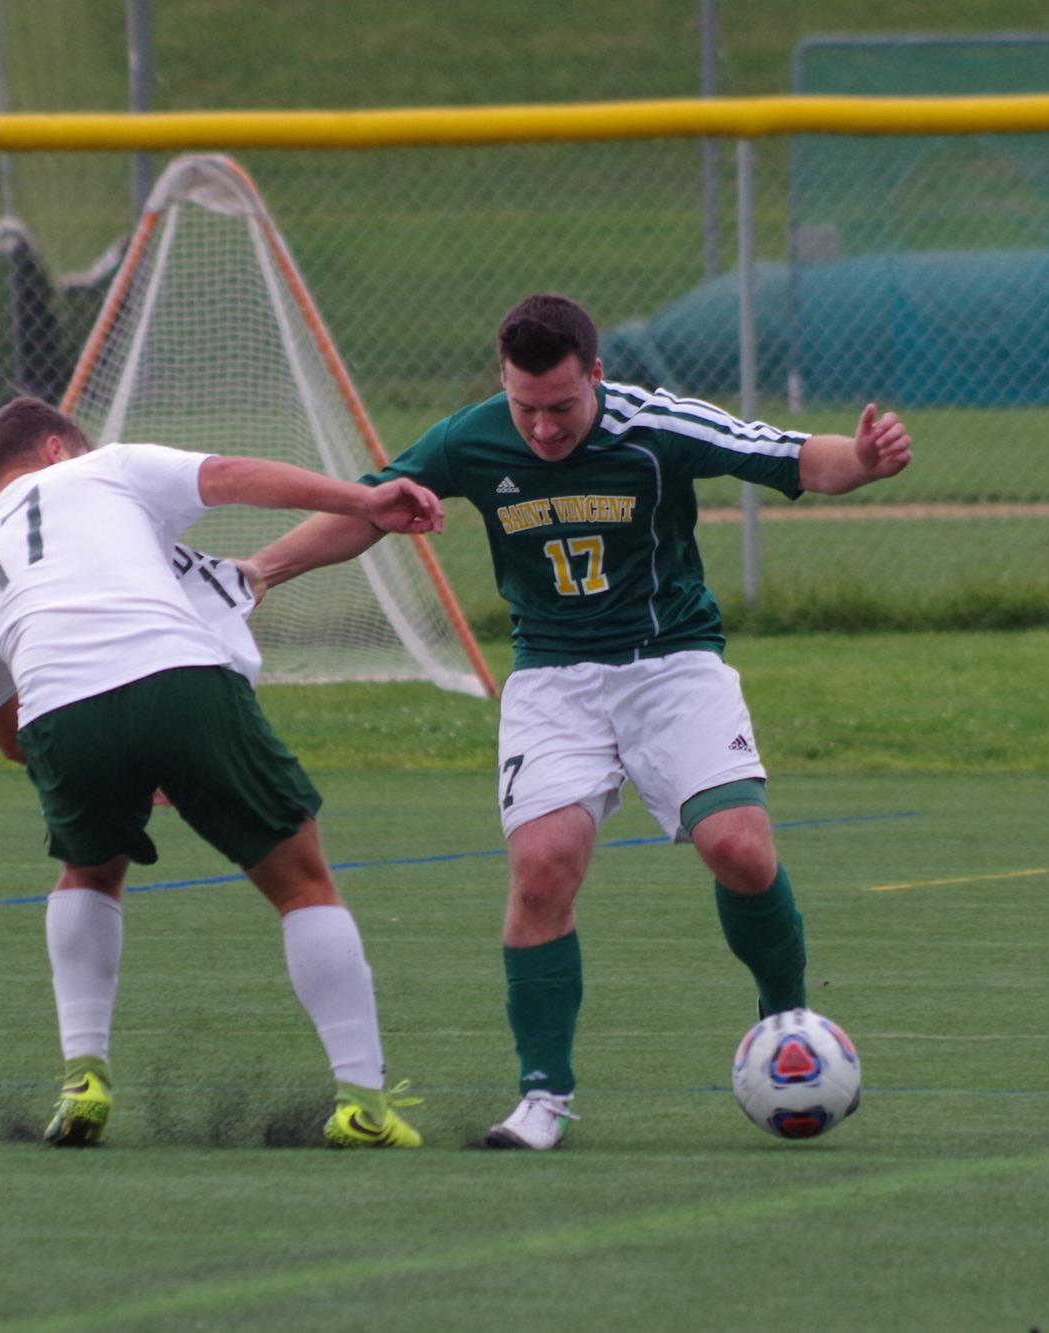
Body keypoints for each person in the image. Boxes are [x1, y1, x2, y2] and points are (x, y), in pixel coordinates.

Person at [244, 293, 912, 1149]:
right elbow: (368, 509)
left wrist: (860, 458)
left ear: (596, 375)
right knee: (541, 870)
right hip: (554, 680)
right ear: (503, 384)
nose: (544, 427)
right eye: (526, 406)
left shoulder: (654, 425)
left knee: (739, 849)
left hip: (673, 665)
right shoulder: (472, 437)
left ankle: (788, 1020)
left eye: (562, 405)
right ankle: (542, 1097)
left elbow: (787, 456)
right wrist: (261, 570)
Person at [0, 397, 444, 1150]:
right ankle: (362, 1101)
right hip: (175, 674)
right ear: (56, 449)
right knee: (302, 879)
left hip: (57, 715)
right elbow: (234, 475)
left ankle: (83, 1076)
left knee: (88, 869)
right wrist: (363, 495)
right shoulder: (102, 468)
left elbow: (11, 737)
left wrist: (119, 754)